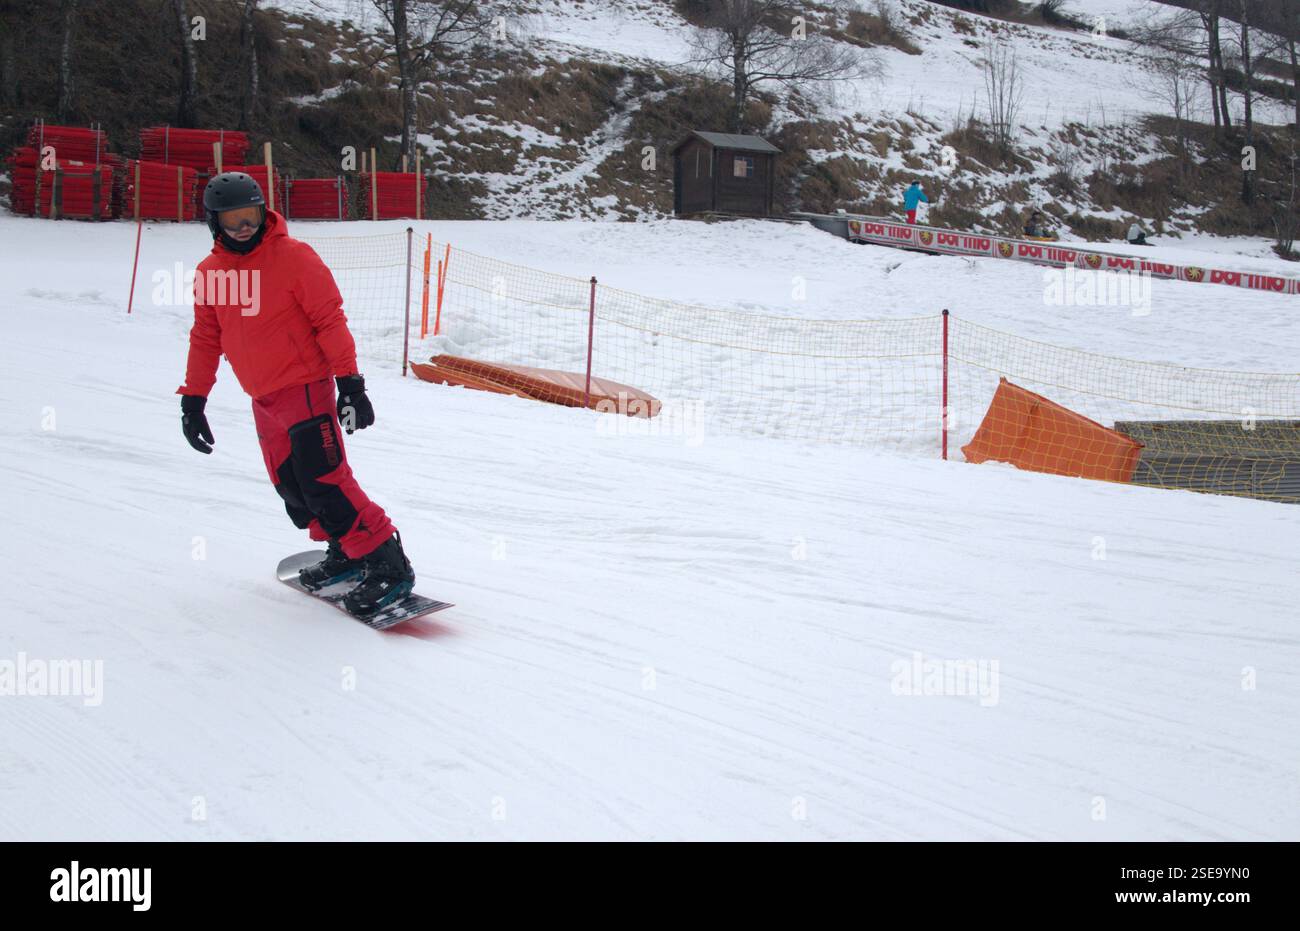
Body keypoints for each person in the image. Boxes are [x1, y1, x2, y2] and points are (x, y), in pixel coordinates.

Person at [177, 171, 415, 617]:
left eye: (250, 217)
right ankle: (345, 550)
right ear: (214, 223)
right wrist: (194, 400)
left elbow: (330, 321)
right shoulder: (211, 275)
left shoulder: (294, 258)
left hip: (305, 388)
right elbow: (205, 339)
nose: (244, 228)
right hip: (263, 399)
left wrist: (351, 384)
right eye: (233, 220)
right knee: (291, 487)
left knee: (326, 482)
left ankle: (388, 563)